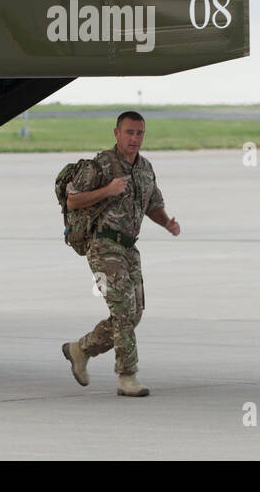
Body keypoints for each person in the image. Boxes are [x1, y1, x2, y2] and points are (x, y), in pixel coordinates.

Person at [61, 110, 180, 397]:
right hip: (102, 246)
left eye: (139, 133)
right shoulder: (100, 165)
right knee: (124, 312)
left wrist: (166, 222)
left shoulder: (145, 168)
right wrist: (108, 190)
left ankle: (81, 349)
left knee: (133, 314)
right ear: (116, 133)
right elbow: (73, 199)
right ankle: (127, 376)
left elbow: (152, 203)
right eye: (129, 132)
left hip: (129, 247)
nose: (134, 138)